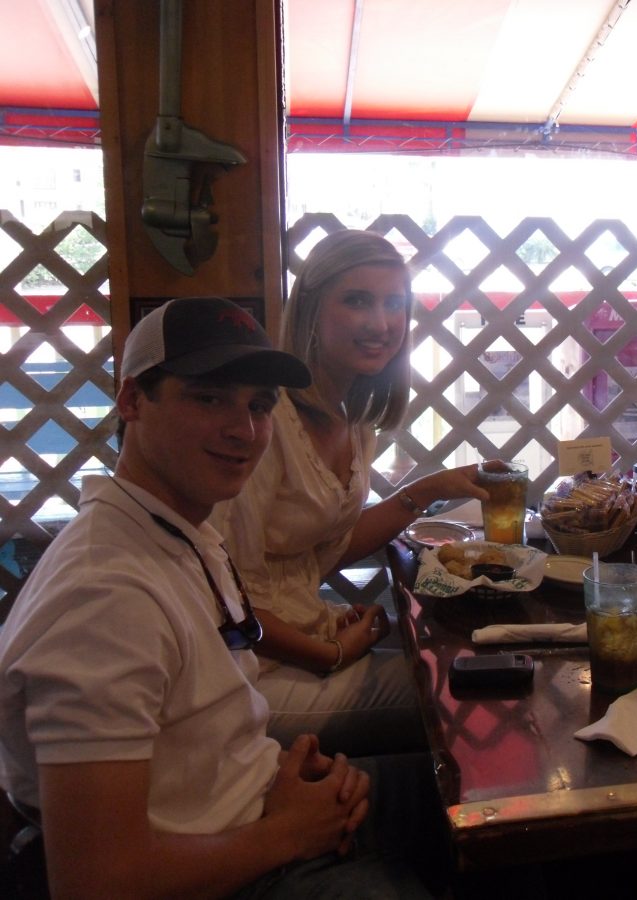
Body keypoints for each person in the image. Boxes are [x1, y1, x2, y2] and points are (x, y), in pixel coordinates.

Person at [0, 297, 441, 898]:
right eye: (208, 398)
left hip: (257, 808)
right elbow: (96, 881)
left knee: (496, 799)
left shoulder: (177, 530)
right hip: (236, 870)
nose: (244, 431)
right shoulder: (104, 596)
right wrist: (288, 832)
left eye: (259, 406)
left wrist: (281, 772)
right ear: (132, 401)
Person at [213, 229, 489, 757]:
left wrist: (431, 489)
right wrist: (332, 652)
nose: (380, 323)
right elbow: (224, 605)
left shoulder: (352, 414)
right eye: (357, 300)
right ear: (312, 311)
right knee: (458, 696)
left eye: (394, 304)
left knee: (463, 652)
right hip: (248, 674)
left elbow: (328, 545)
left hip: (307, 636)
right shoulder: (266, 422)